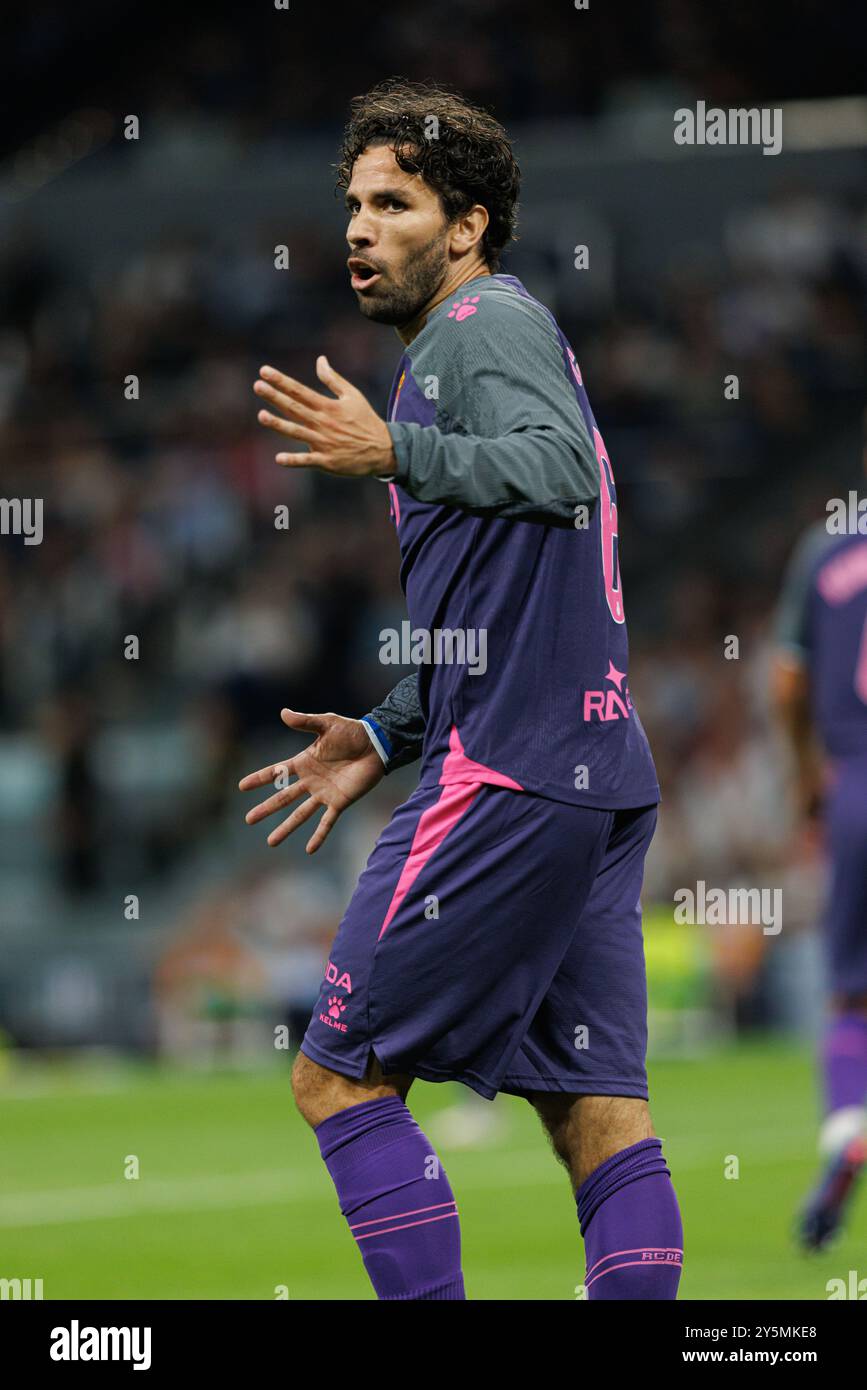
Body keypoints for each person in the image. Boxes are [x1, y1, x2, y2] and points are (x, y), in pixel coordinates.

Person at [240, 78, 681, 1300]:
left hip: (510, 773)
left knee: (336, 1076)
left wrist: (397, 450)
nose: (360, 228)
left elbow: (557, 476)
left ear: (469, 223)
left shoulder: (479, 329)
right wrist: (385, 728)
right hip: (596, 772)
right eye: (354, 205)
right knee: (597, 1113)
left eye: (396, 202)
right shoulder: (494, 337)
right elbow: (506, 596)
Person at [774, 427, 867, 1250]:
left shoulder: (825, 549)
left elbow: (785, 678)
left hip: (853, 790)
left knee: (849, 992)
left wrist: (807, 771)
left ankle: (846, 1130)